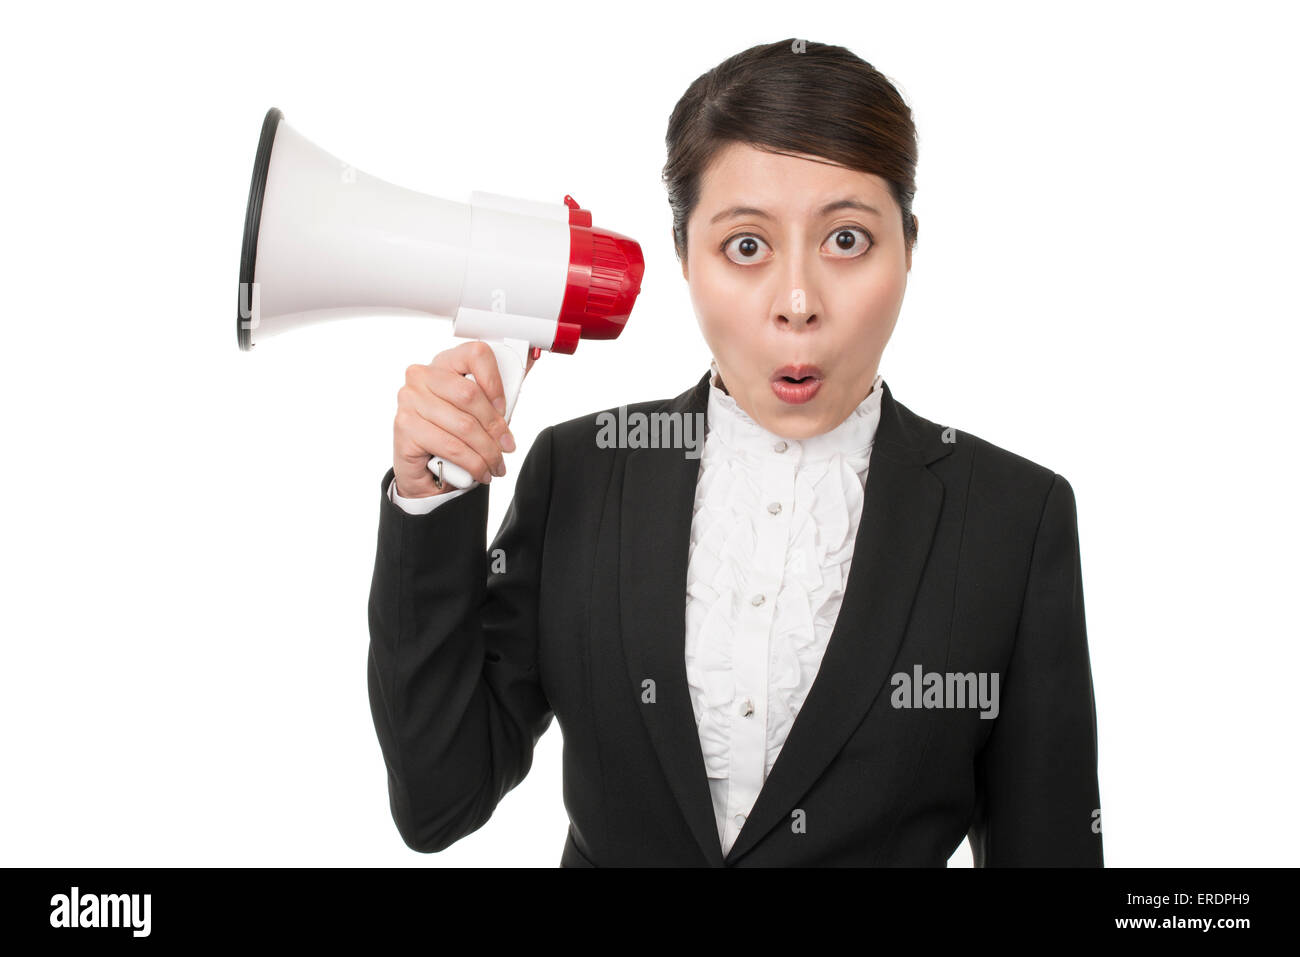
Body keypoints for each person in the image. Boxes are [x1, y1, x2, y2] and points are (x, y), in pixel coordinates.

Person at [366, 38, 1103, 867]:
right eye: (746, 246)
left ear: (909, 247)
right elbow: (437, 800)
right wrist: (429, 499)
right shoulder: (581, 471)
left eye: (848, 240)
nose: (797, 303)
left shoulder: (1012, 518)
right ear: (684, 254)